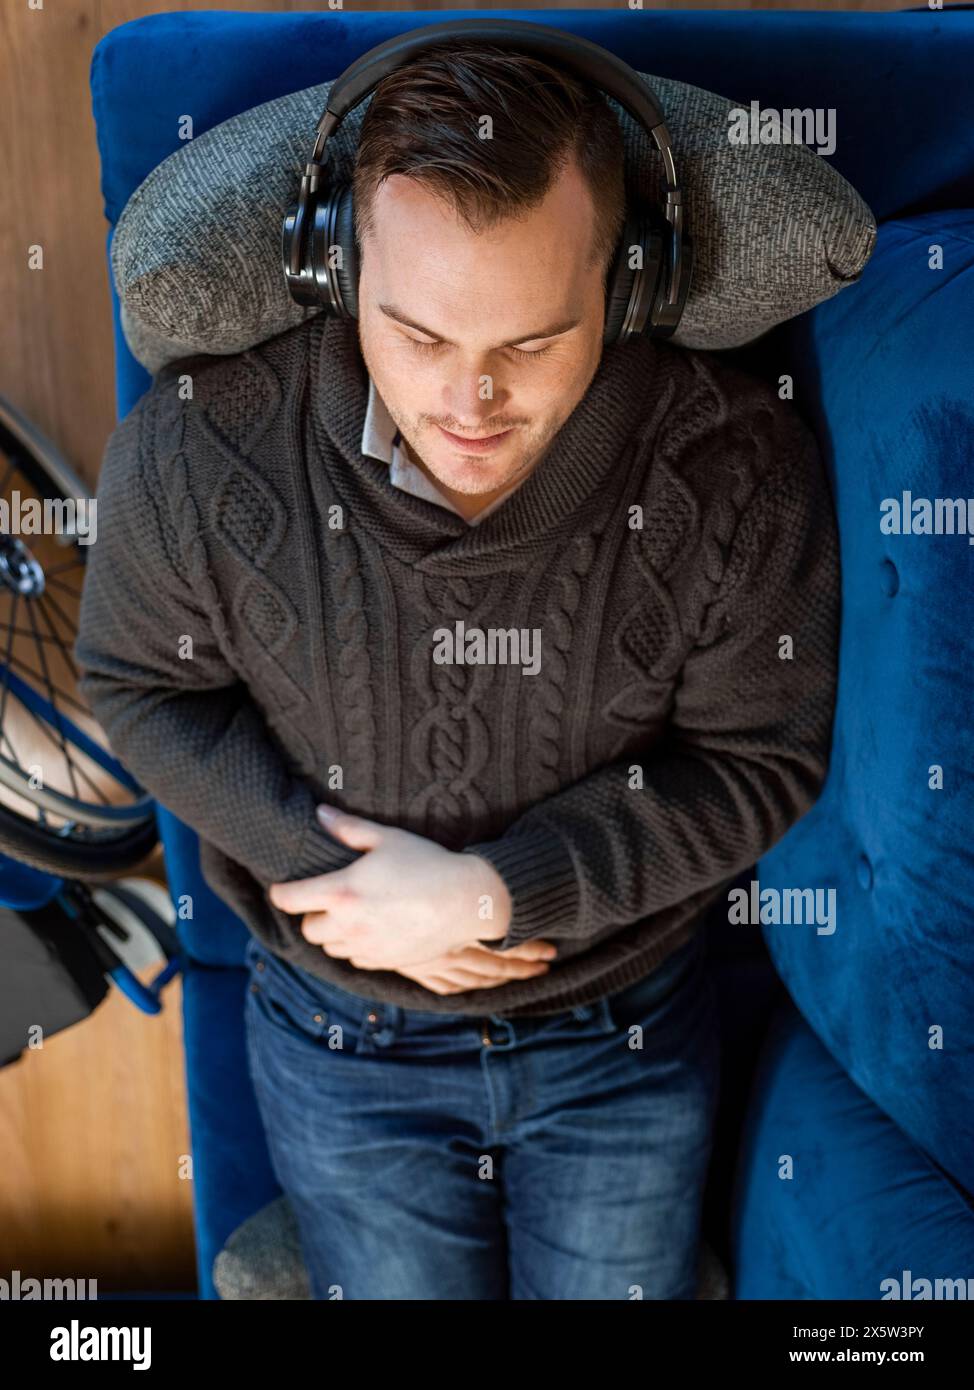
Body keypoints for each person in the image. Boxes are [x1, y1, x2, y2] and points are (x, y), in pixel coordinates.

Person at [75, 40, 840, 1299]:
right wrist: (347, 879)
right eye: (415, 332)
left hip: (623, 1032)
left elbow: (757, 760)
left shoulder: (732, 468)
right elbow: (139, 686)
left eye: (534, 341)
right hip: (338, 1035)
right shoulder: (199, 452)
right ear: (334, 267)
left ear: (629, 289)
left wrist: (493, 891)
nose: (468, 399)